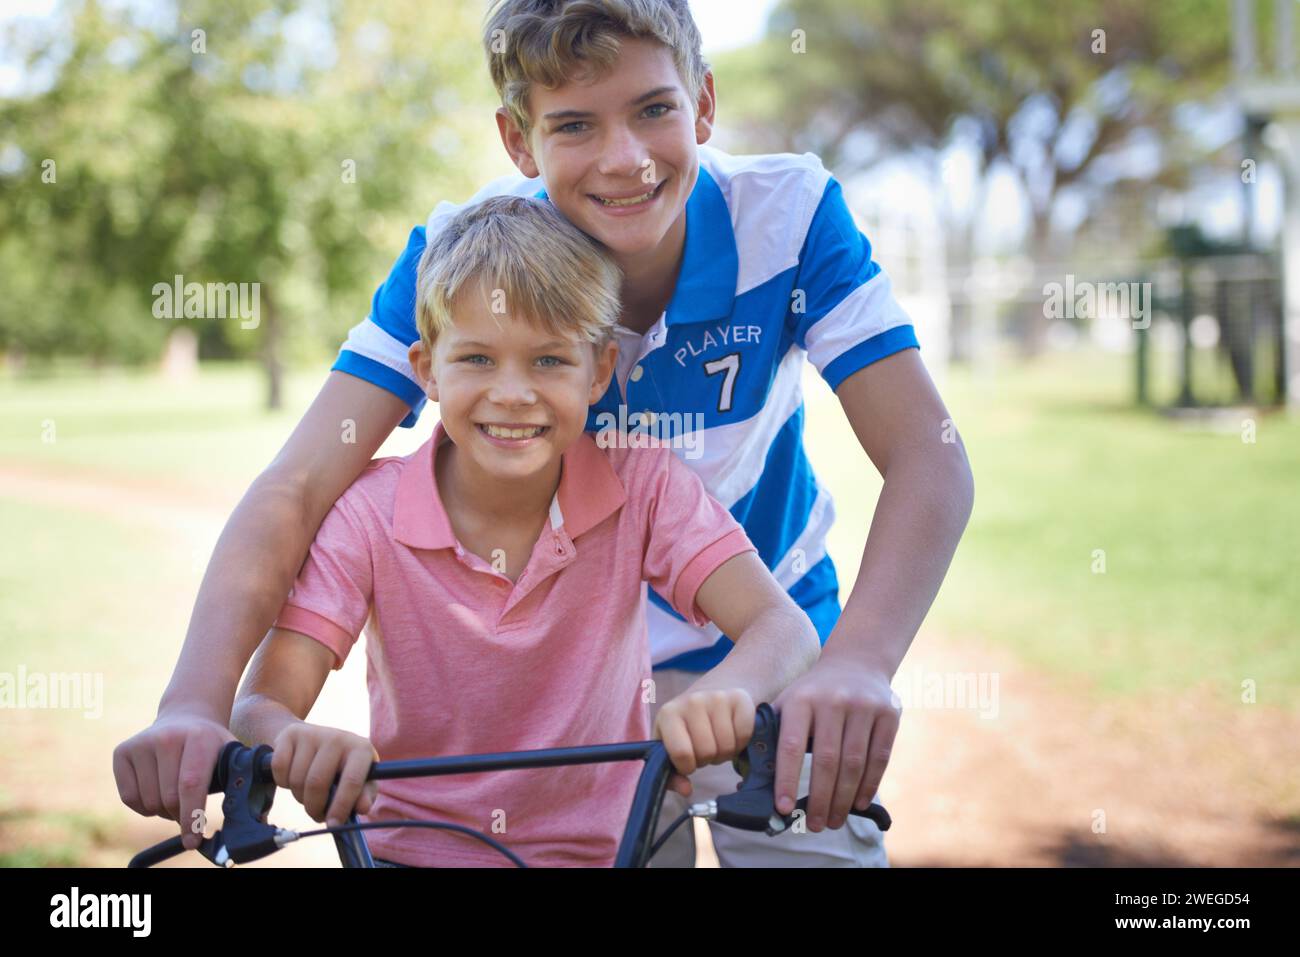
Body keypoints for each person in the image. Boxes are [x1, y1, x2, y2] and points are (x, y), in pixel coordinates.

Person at [114, 0, 974, 867]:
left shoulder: (789, 217)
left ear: (704, 104)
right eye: (573, 124)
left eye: (654, 109)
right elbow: (299, 483)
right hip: (581, 677)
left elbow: (928, 460)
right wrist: (195, 698)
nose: (625, 158)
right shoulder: (466, 259)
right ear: (519, 140)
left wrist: (857, 661)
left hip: (761, 630)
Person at [229, 195, 820, 866]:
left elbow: (784, 626)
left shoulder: (644, 486)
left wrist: (727, 690)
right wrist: (294, 738)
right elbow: (260, 704)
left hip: (616, 849)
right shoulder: (368, 513)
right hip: (415, 853)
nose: (513, 393)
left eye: (549, 361)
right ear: (426, 370)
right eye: (477, 359)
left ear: (599, 370)